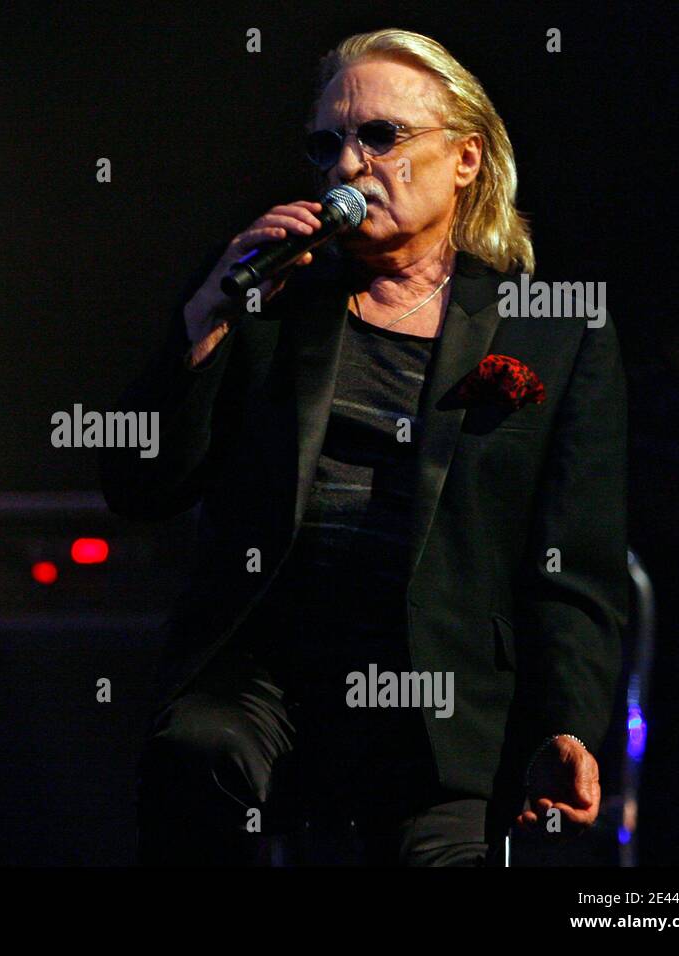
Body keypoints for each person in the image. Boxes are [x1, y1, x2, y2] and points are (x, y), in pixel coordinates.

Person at [101, 29, 627, 865]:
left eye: (381, 136)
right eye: (329, 143)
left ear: (465, 159)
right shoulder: (268, 296)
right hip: (267, 671)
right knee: (196, 757)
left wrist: (569, 724)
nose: (349, 163)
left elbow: (576, 564)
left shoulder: (554, 328)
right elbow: (139, 485)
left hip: (440, 694)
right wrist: (203, 326)